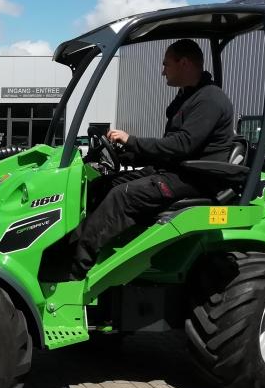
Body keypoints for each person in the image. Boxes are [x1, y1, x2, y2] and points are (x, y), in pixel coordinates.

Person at [54, 39, 235, 282]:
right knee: (100, 186)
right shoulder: (188, 97)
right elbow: (171, 147)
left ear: (184, 63)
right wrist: (125, 152)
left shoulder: (209, 99)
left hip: (196, 178)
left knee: (122, 195)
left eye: (166, 65)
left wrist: (131, 141)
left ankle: (74, 271)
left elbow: (182, 145)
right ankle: (65, 247)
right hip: (176, 170)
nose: (163, 71)